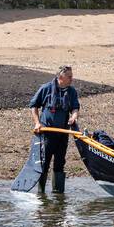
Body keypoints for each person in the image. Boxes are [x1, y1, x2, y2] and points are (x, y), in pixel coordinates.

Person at [29, 65, 80, 193]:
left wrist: (74, 117)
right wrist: (37, 123)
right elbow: (33, 106)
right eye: (69, 77)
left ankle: (58, 194)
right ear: (61, 77)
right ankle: (41, 194)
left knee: (59, 164)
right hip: (47, 133)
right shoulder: (45, 88)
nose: (72, 79)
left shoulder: (72, 92)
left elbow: (75, 108)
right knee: (44, 163)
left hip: (63, 134)